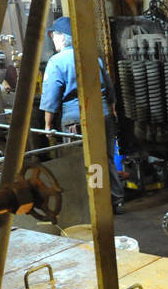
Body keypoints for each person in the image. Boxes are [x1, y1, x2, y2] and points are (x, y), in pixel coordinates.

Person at [39, 16, 125, 212]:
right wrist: (111, 111)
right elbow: (110, 89)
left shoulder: (56, 61)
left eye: (54, 36)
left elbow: (50, 97)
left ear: (62, 37)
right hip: (103, 115)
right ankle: (114, 199)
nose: (53, 40)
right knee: (105, 158)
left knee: (79, 160)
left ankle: (88, 202)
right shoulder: (92, 57)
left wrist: (47, 125)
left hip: (75, 118)